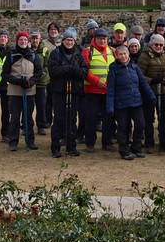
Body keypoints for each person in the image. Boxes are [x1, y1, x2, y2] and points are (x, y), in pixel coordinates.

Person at [106, 44, 155, 160]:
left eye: (125, 54)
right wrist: (110, 107)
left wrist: (151, 95)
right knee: (123, 127)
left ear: (128, 54)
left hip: (136, 102)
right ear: (116, 56)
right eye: (120, 54)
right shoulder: (113, 69)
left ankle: (136, 147)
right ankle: (124, 150)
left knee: (140, 124)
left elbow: (143, 82)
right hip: (121, 104)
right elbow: (110, 89)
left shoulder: (134, 66)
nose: (123, 56)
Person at [47, 27, 87, 157]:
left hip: (74, 91)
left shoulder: (78, 54)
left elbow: (84, 72)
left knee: (72, 118)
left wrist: (73, 70)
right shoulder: (56, 53)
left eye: (71, 40)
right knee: (59, 118)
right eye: (67, 40)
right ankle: (55, 147)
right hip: (59, 91)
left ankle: (71, 146)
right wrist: (67, 69)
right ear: (63, 40)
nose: (69, 42)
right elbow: (52, 70)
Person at [2, 30, 41, 152]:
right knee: (14, 118)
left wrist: (31, 82)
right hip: (15, 91)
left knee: (28, 117)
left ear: (28, 41)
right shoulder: (11, 55)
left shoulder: (33, 55)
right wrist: (17, 81)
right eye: (20, 39)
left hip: (29, 91)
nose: (23, 41)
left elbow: (38, 72)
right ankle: (13, 142)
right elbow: (5, 74)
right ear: (17, 41)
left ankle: (30, 141)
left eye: (25, 39)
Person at [81, 27, 115, 153]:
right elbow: (84, 71)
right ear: (94, 39)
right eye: (100, 38)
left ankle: (107, 142)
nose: (102, 41)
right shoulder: (87, 51)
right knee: (91, 118)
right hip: (92, 91)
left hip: (108, 91)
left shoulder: (113, 51)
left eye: (104, 39)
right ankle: (90, 144)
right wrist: (97, 82)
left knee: (108, 118)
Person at [137, 33, 165, 152]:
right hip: (149, 92)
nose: (159, 47)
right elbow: (140, 75)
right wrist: (152, 80)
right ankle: (149, 143)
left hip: (162, 91)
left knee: (163, 117)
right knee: (149, 118)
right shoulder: (144, 57)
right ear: (151, 44)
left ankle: (164, 142)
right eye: (156, 44)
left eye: (161, 45)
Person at [30, 30, 51, 135]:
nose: (35, 40)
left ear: (40, 39)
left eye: (36, 38)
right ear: (30, 39)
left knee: (41, 105)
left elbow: (47, 65)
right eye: (33, 38)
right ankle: (26, 126)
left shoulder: (44, 50)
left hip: (41, 82)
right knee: (29, 105)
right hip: (29, 82)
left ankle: (41, 125)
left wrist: (39, 76)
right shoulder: (27, 50)